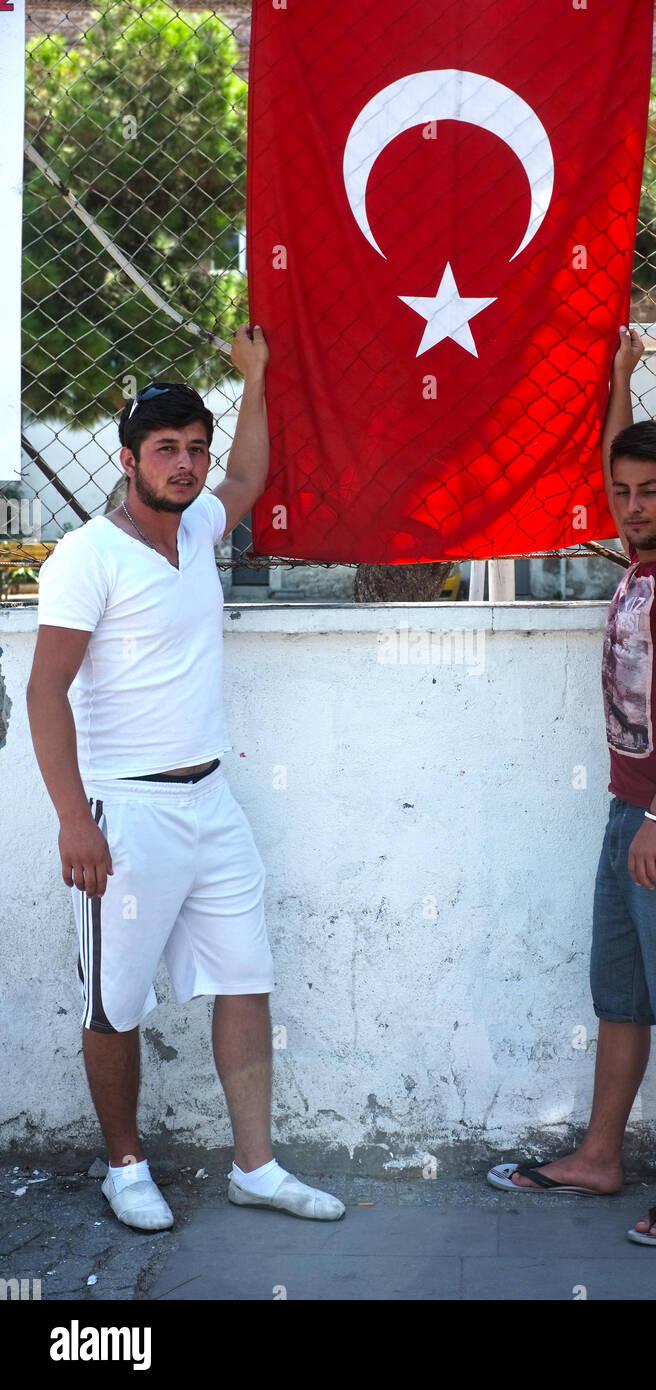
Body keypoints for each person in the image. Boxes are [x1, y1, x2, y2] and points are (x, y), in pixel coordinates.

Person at [27, 325, 344, 1230]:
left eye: (193, 448)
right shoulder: (88, 555)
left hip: (213, 802)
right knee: (114, 1001)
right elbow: (46, 692)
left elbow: (247, 478)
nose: (187, 464)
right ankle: (124, 1166)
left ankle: (256, 1166)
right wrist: (70, 820)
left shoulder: (200, 522)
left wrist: (255, 380)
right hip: (124, 812)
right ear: (128, 459)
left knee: (244, 980)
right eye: (166, 449)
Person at [487, 325, 656, 1245]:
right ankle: (600, 1157)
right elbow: (614, 458)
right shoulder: (644, 560)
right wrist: (617, 376)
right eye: (623, 491)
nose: (631, 505)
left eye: (652, 492)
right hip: (631, 815)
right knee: (621, 998)